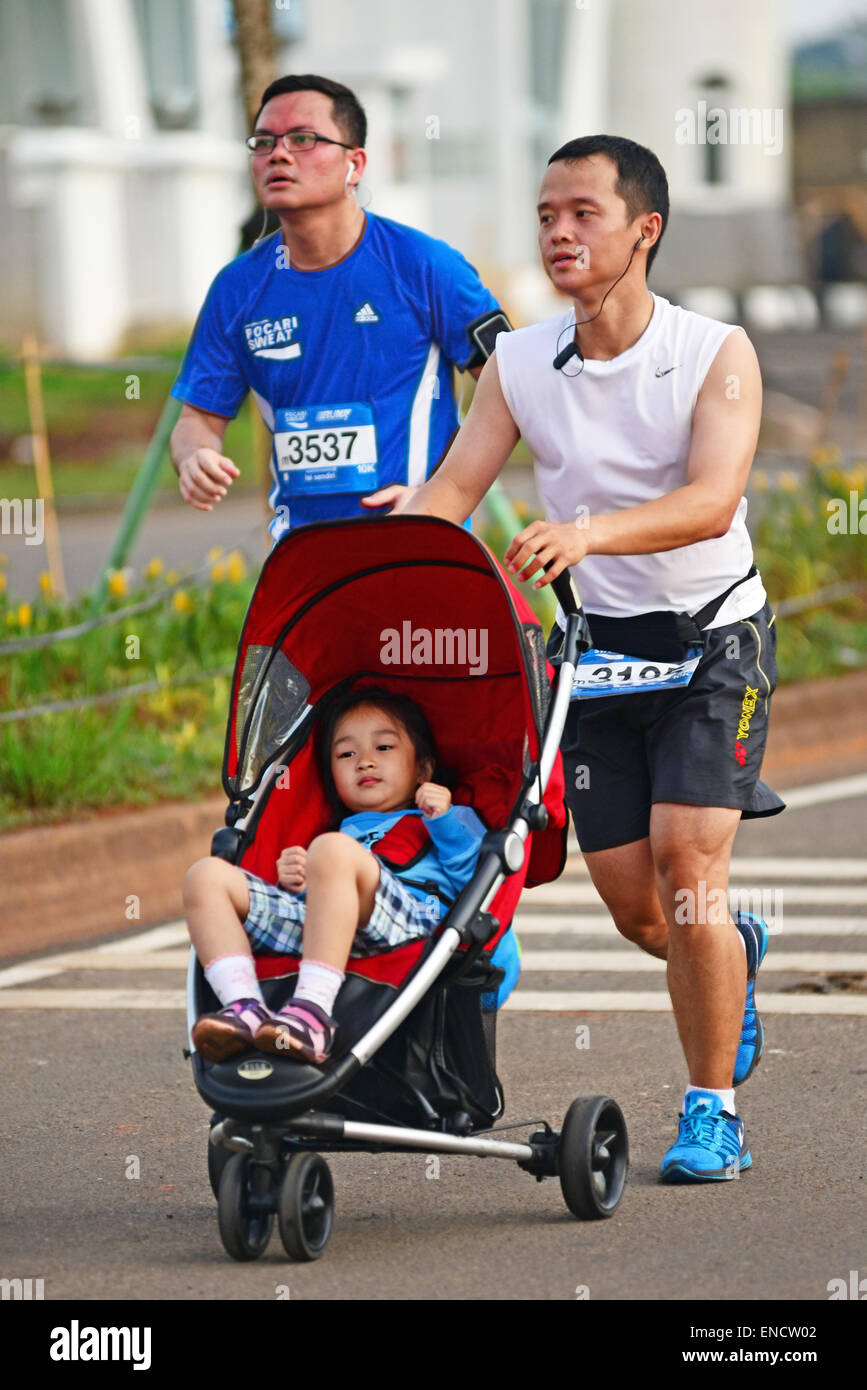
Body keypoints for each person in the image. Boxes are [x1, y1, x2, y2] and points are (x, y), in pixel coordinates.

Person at [365, 135, 785, 1183]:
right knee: (643, 907)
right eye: (547, 213)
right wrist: (392, 537)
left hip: (711, 640)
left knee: (689, 865)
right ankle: (731, 954)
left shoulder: (714, 350)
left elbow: (713, 500)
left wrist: (588, 534)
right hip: (596, 659)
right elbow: (455, 487)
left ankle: (711, 1113)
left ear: (643, 229)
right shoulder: (518, 363)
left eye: (583, 213)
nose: (558, 231)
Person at [169, 73, 508, 541]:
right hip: (302, 558)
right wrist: (194, 456)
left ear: (356, 163)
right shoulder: (237, 289)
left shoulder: (425, 266)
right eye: (263, 141)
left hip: (420, 544)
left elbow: (512, 391)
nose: (279, 154)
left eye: (303, 139)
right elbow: (197, 420)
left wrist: (440, 496)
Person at [186, 687, 486, 1066]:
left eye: (384, 748)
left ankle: (311, 1013)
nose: (365, 762)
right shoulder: (337, 833)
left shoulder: (448, 819)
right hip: (330, 933)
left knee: (330, 851)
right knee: (206, 877)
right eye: (347, 754)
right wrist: (294, 886)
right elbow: (324, 901)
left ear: (422, 769)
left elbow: (476, 882)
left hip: (413, 926)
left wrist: (442, 821)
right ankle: (244, 1009)